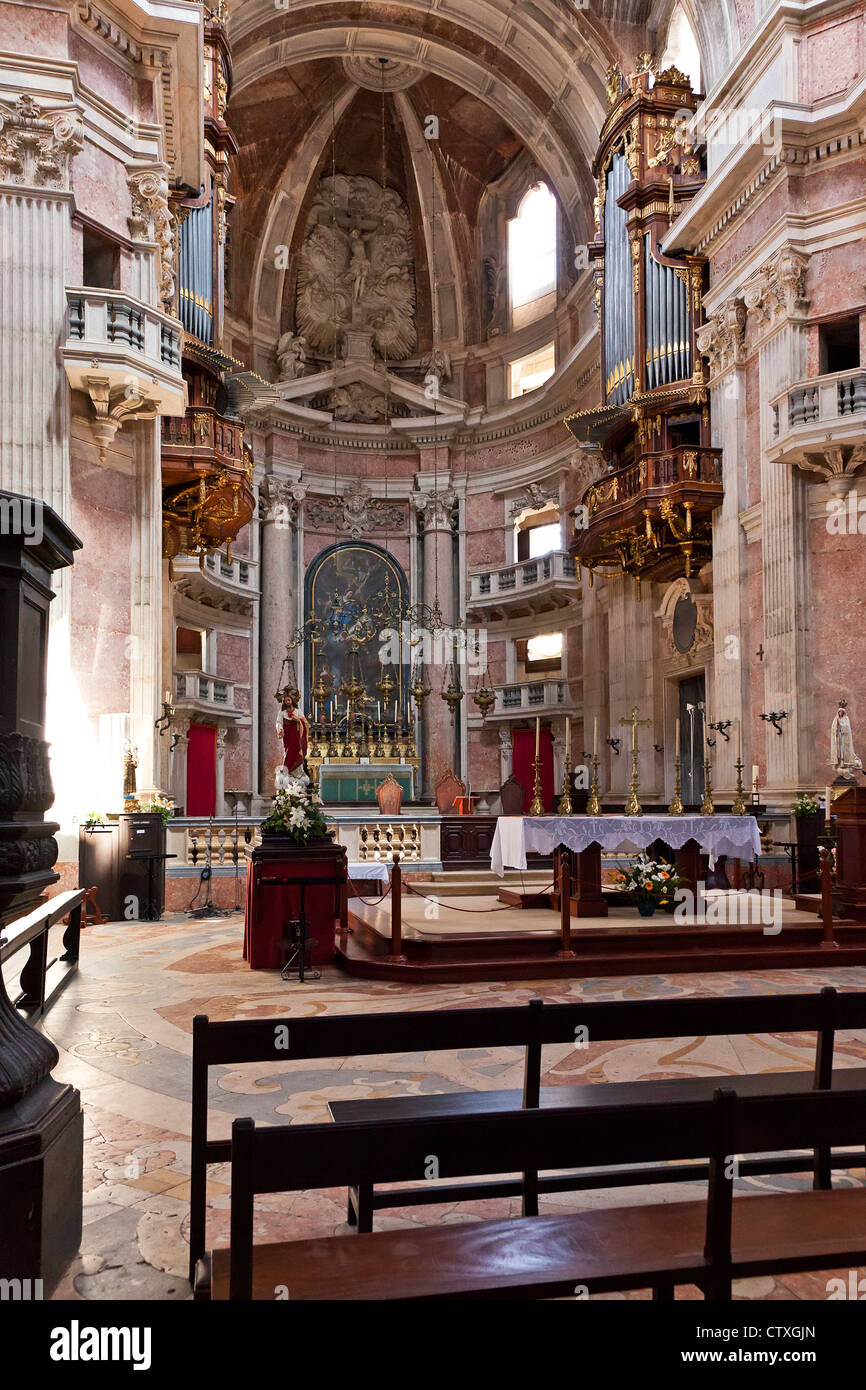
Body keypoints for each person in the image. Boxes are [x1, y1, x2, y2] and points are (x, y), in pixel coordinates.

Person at [275, 690, 310, 778]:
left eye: (289, 700)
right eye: (286, 700)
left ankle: (298, 772)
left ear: (292, 701)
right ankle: (287, 771)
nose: (287, 702)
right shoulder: (282, 712)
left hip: (296, 736)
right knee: (287, 753)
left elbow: (304, 722)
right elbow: (278, 722)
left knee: (298, 752)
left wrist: (297, 720)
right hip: (287, 736)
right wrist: (280, 729)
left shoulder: (297, 711)